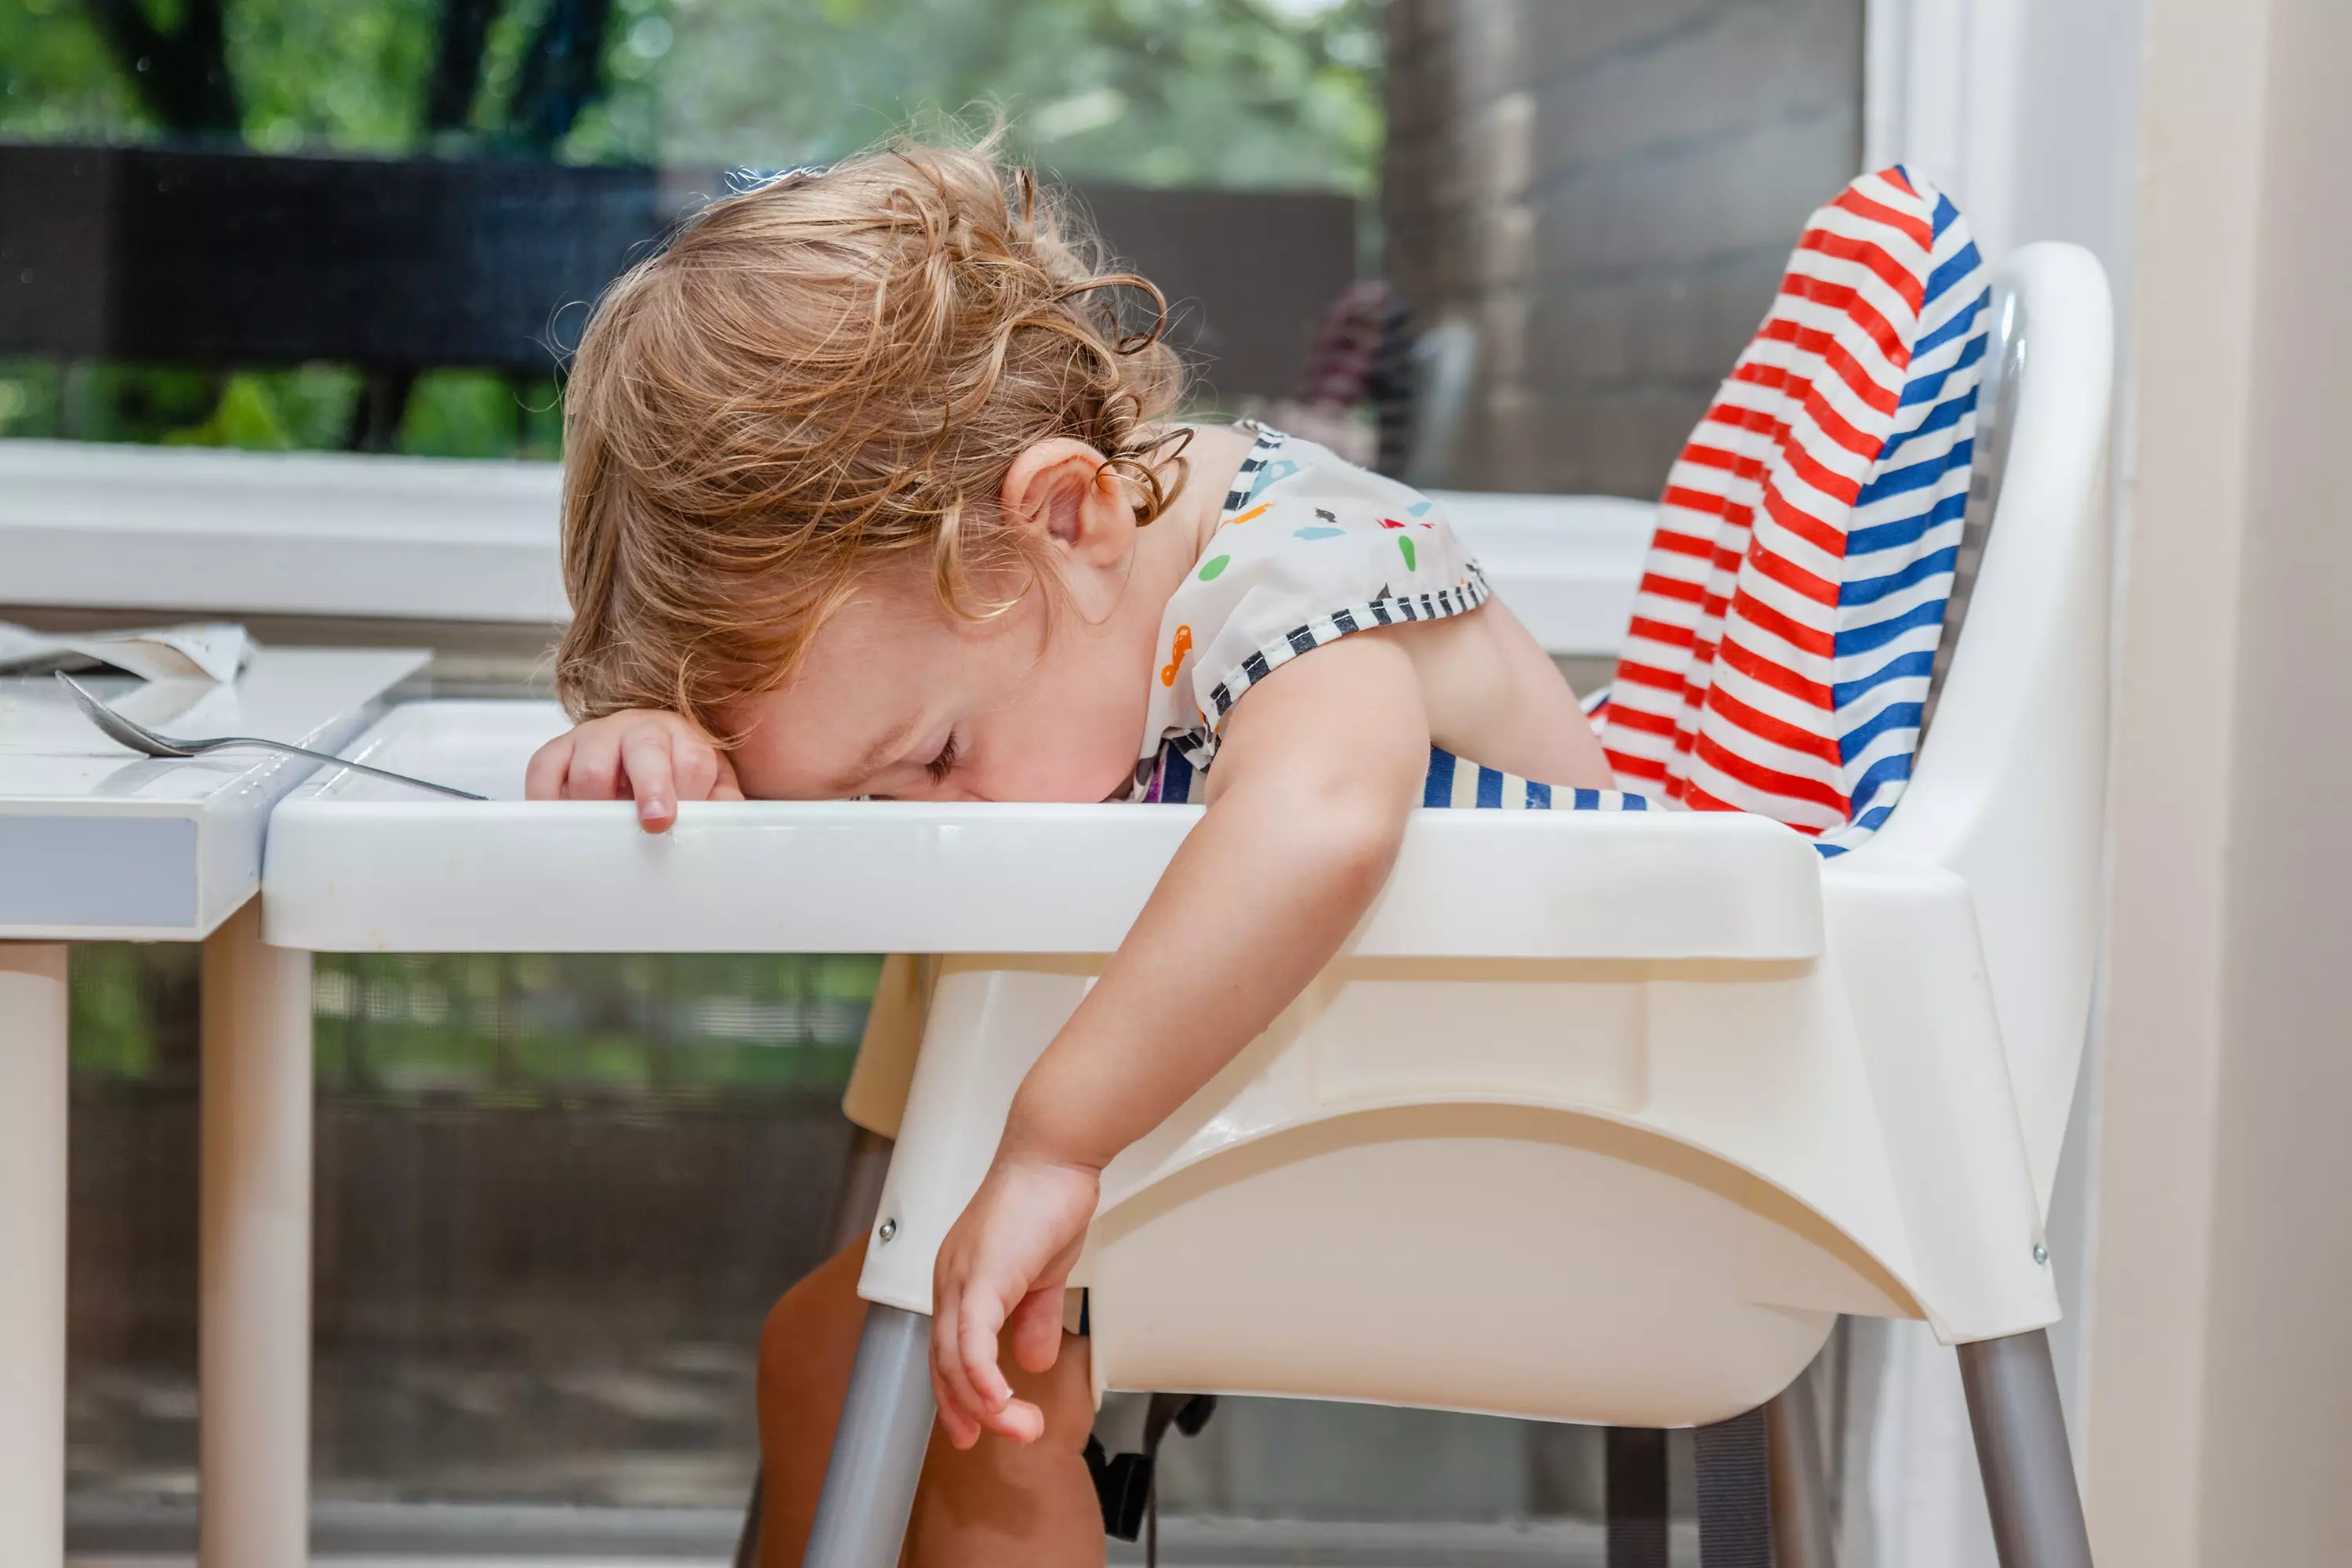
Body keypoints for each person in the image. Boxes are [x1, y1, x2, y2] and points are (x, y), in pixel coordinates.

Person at [524, 134, 1615, 1566]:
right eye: (871, 797)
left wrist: (1056, 1140)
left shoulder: (1304, 558)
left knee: (978, 1384)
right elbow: (855, 707)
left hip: (1530, 1142)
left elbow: (1325, 818)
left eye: (933, 761)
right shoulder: (1046, 602)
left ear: (1068, 515)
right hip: (1296, 1122)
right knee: (822, 1348)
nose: (924, 823)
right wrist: (668, 747)